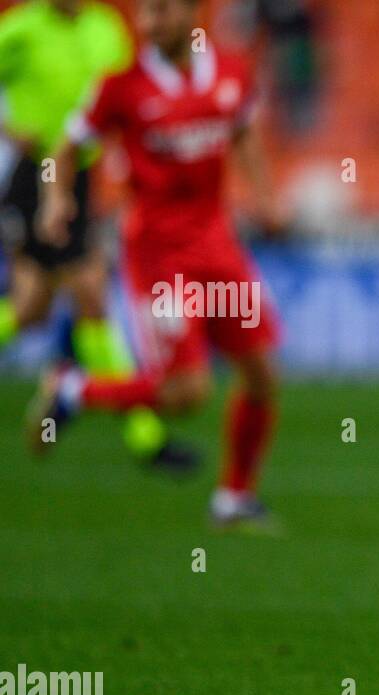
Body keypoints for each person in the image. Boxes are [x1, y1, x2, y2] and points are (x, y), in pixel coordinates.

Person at [31, 0, 282, 529]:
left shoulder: (231, 72)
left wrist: (264, 197)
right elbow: (65, 147)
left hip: (218, 247)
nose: (147, 24)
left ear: (191, 14)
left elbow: (242, 132)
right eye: (143, 14)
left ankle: (234, 498)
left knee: (261, 375)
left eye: (160, 12)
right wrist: (56, 198)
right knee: (187, 393)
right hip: (160, 256)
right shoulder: (121, 86)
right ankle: (74, 388)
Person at [0, 0, 193, 472]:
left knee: (32, 307)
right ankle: (145, 436)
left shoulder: (107, 29)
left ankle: (137, 430)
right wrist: (8, 127)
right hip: (36, 172)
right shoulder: (20, 29)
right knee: (83, 294)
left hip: (79, 178)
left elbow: (128, 97)